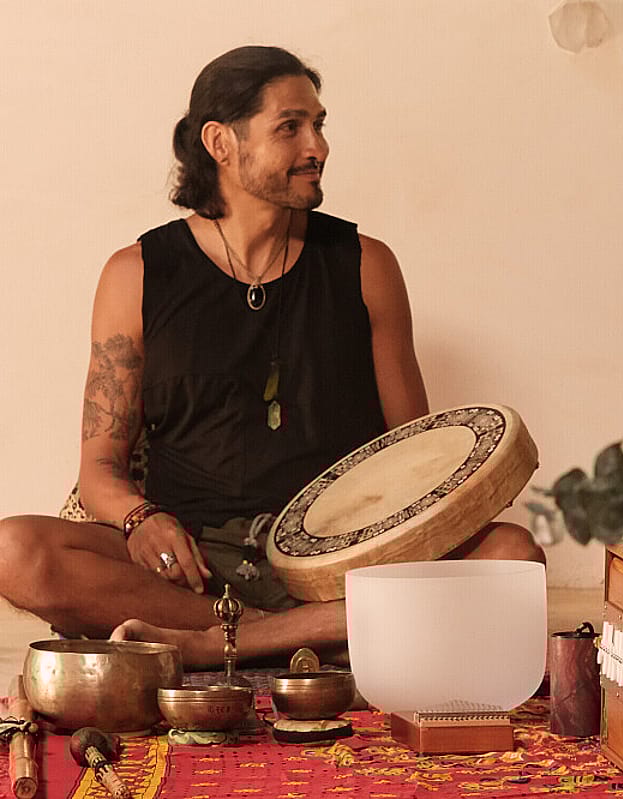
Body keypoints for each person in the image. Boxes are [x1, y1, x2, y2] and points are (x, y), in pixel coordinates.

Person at [0, 46, 542, 668]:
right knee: (14, 551)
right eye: (290, 127)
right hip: (192, 571)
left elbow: (415, 455)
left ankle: (217, 645)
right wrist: (142, 519)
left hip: (337, 563)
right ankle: (298, 634)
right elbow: (100, 469)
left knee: (513, 557)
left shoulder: (367, 266)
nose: (318, 147)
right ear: (221, 143)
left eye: (319, 124)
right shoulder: (136, 274)